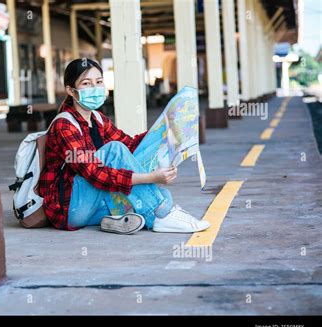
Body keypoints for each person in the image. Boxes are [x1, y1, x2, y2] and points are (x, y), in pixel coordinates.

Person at [38, 58, 210, 234]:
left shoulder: (98, 119)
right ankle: (162, 215)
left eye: (98, 82)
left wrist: (165, 128)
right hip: (70, 207)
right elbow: (95, 174)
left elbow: (131, 146)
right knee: (116, 152)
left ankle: (113, 221)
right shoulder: (64, 125)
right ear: (71, 90)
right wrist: (150, 177)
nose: (95, 88)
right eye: (86, 83)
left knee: (160, 195)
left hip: (93, 204)